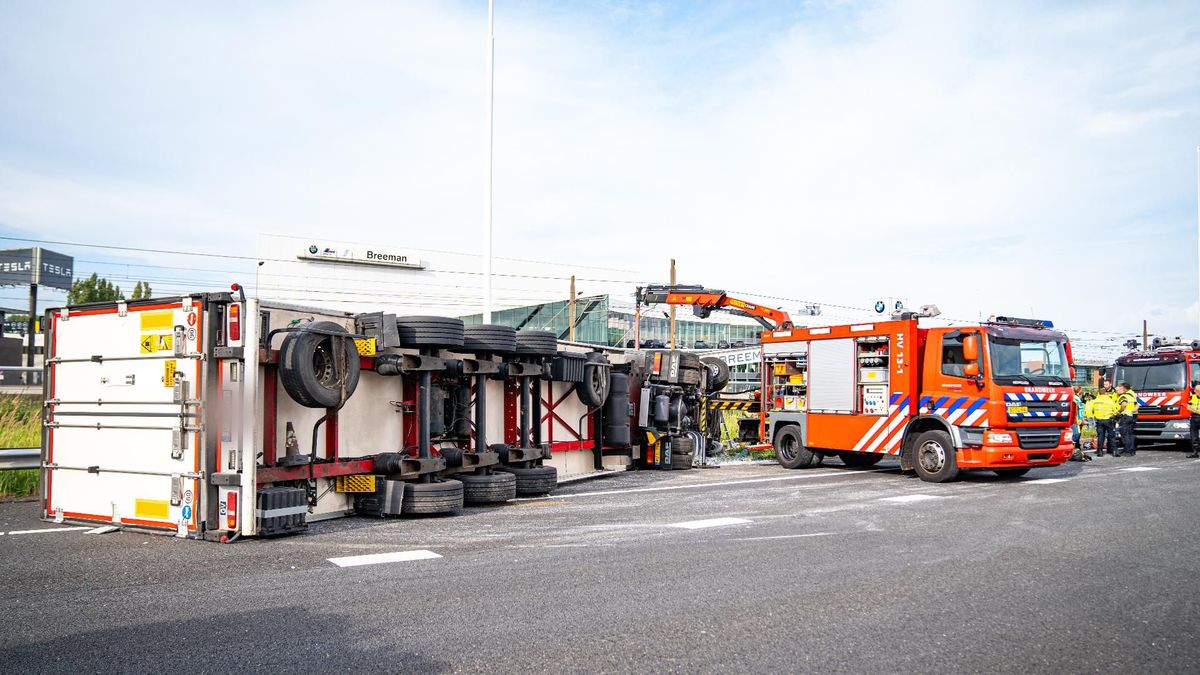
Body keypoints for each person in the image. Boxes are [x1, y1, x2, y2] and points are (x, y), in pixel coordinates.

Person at [1087, 382, 1119, 457]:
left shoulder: (1095, 401)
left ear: (1099, 393)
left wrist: (1094, 417)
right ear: (1105, 393)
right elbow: (1115, 410)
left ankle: (1100, 452)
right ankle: (1114, 451)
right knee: (1111, 436)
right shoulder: (1109, 400)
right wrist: (1116, 415)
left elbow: (1089, 410)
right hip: (1109, 420)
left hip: (1099, 421)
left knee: (1101, 436)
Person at [1115, 382, 1139, 457]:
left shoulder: (1124, 396)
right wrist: (1132, 411)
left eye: (1119, 389)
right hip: (1131, 416)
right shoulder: (1132, 395)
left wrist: (1119, 412)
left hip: (1125, 416)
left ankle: (1127, 450)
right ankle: (1131, 450)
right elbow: (1138, 404)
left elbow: (1124, 405)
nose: (1117, 391)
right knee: (1130, 434)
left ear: (1123, 389)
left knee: (1124, 434)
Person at [1188, 383, 1200, 458]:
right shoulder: (1192, 397)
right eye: (1195, 390)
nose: (1195, 391)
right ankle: (1195, 452)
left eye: (1196, 390)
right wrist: (1197, 412)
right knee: (1194, 436)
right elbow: (1188, 407)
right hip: (1194, 418)